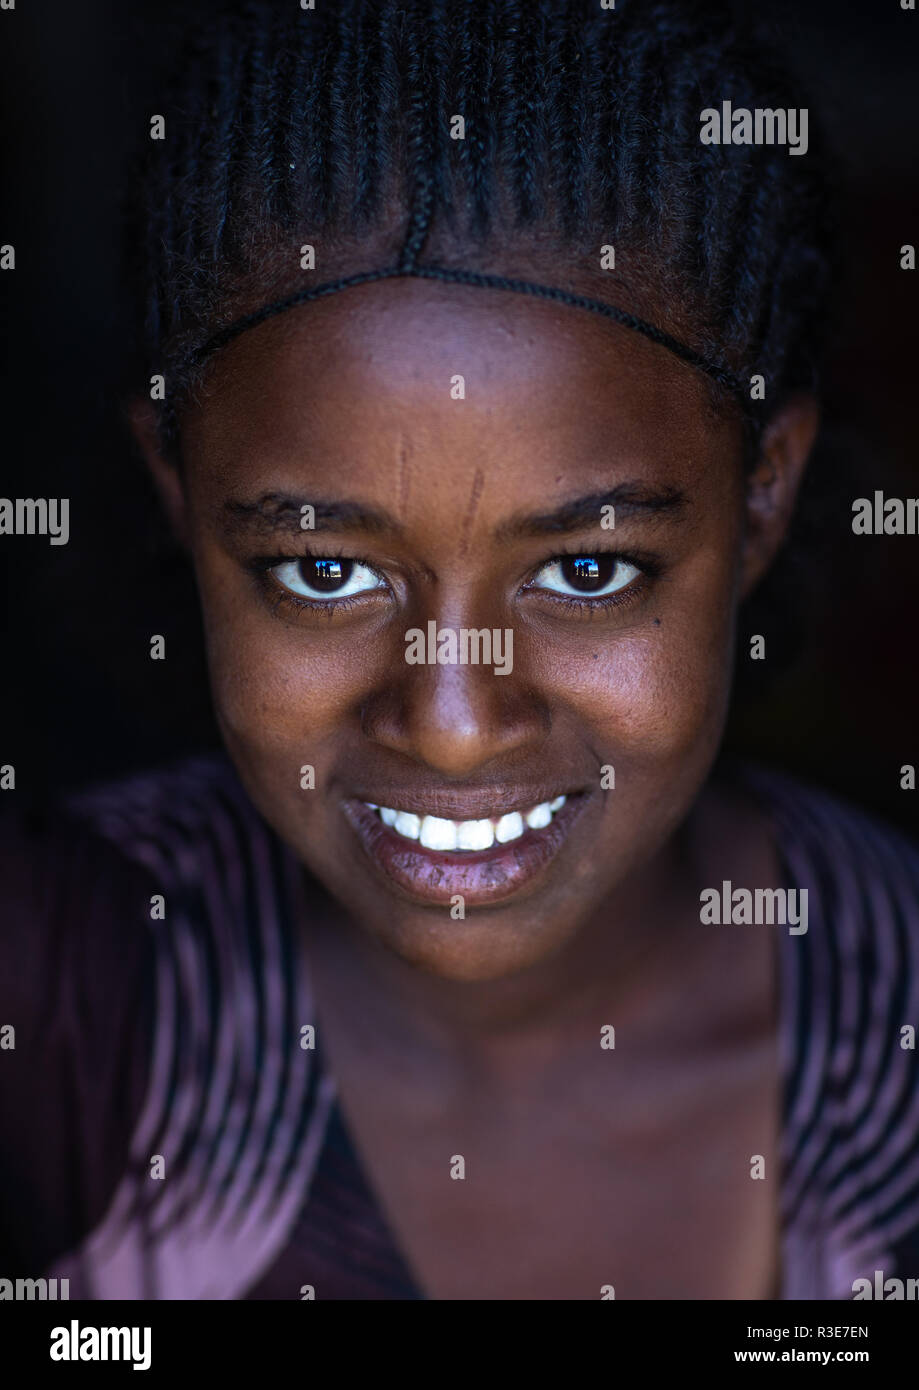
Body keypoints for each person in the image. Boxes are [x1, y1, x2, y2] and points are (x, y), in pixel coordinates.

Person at [2, 0, 918, 1301]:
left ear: (762, 493)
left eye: (586, 570)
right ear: (178, 488)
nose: (449, 721)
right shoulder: (59, 1013)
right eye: (325, 572)